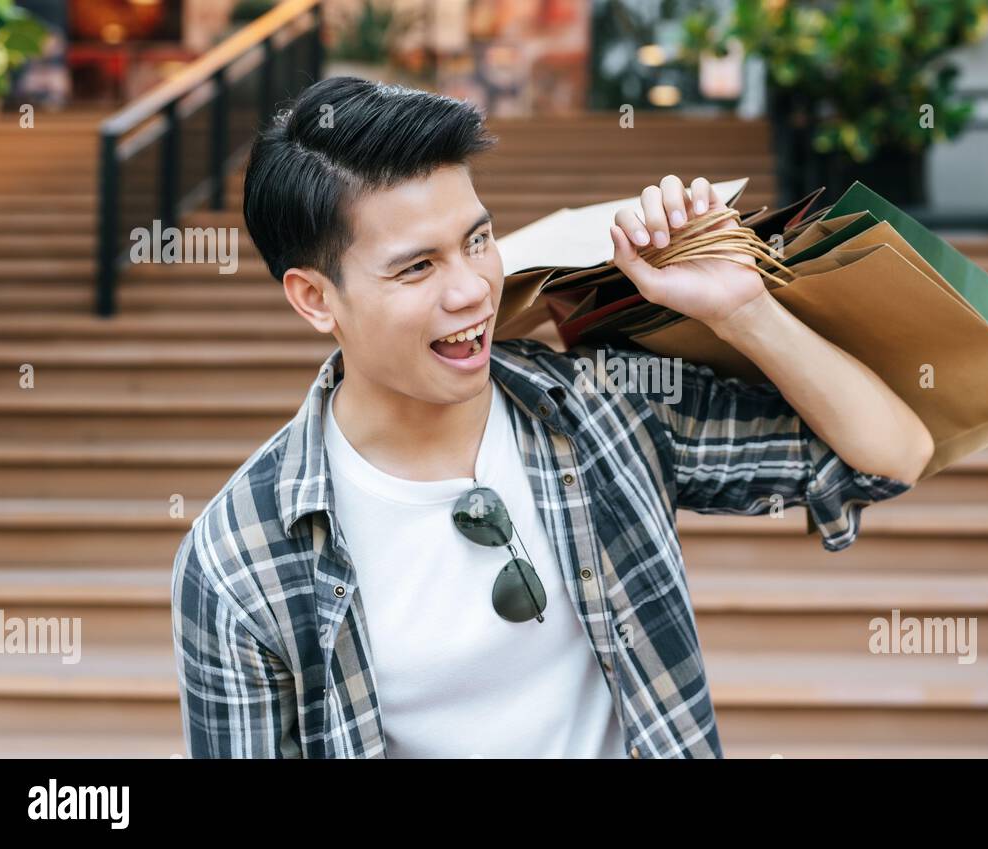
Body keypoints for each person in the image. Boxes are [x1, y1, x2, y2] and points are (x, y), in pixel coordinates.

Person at [170, 76, 933, 759]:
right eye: (416, 266)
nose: (472, 290)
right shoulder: (241, 558)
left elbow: (890, 455)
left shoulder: (604, 406)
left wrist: (745, 310)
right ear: (314, 298)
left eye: (476, 241)